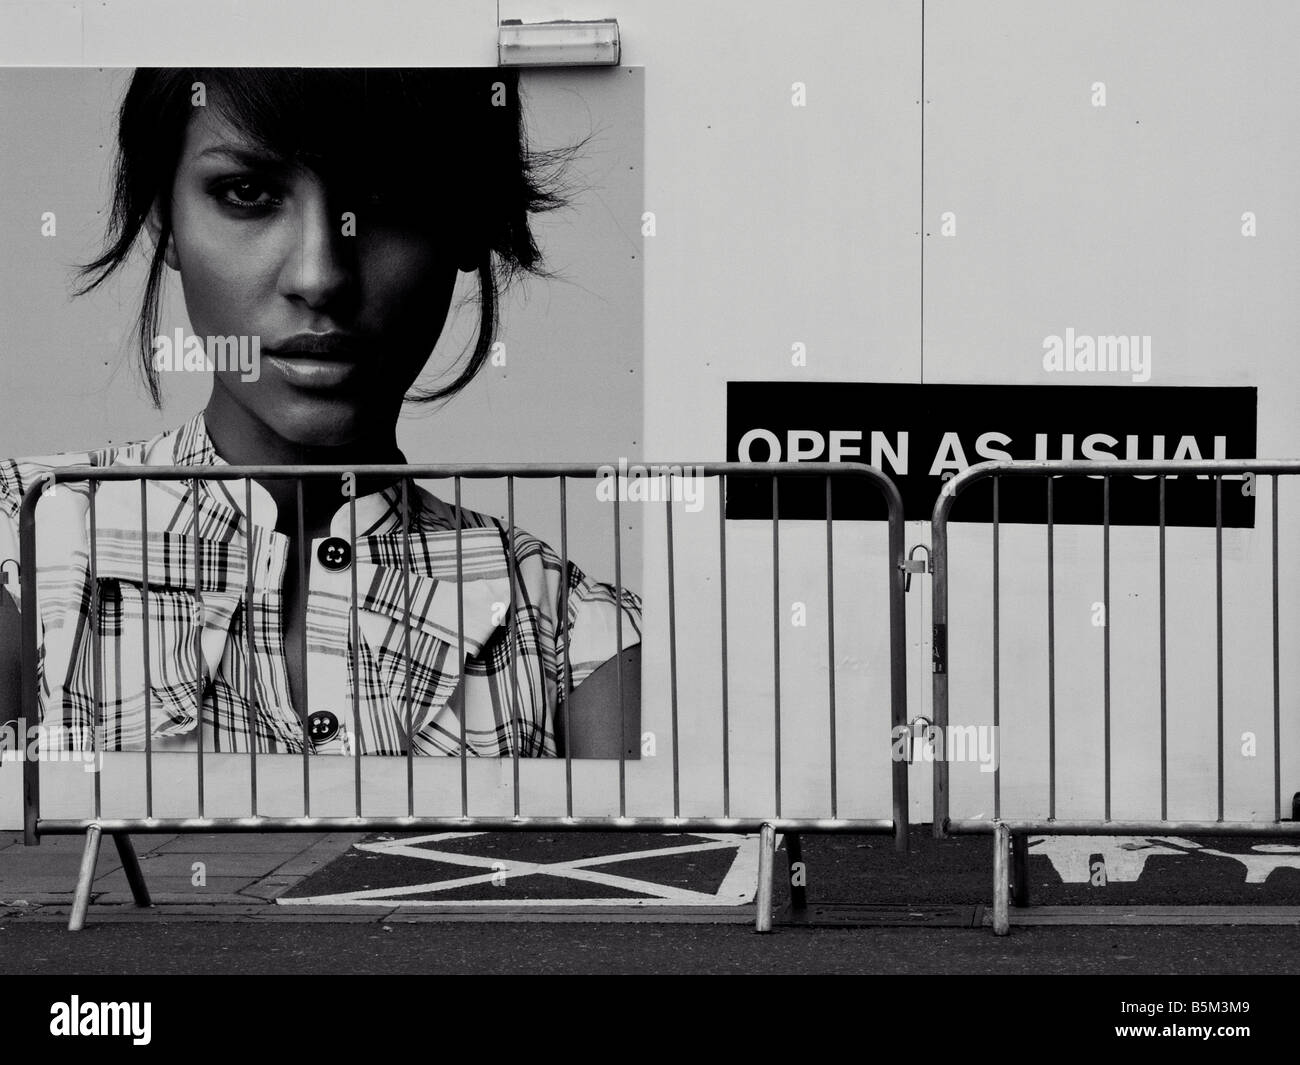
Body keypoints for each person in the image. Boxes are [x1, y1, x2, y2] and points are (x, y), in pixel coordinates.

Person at [0, 68, 642, 760]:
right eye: (248, 192)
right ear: (165, 217)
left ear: (467, 221)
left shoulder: (575, 635)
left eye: (390, 194)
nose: (319, 275)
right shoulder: (25, 540)